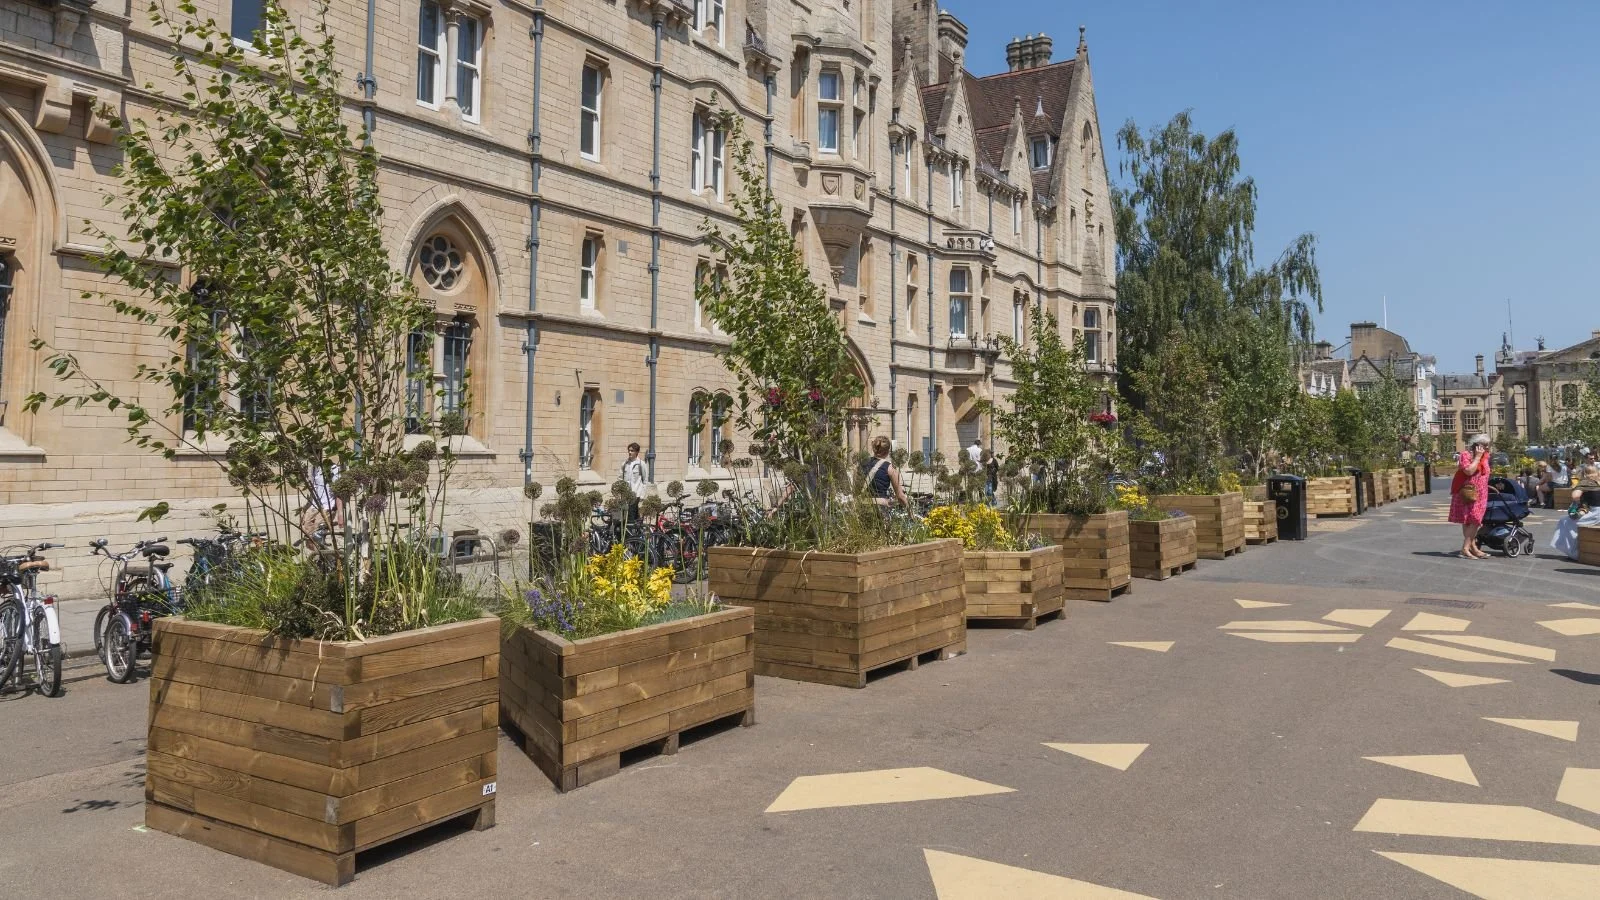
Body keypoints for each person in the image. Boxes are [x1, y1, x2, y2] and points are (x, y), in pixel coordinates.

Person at [1448, 434, 1492, 559]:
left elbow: (1484, 474)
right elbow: (1469, 471)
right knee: (1472, 520)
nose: (1487, 447)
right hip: (1467, 493)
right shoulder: (1466, 455)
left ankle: (1472, 548)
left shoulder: (1486, 457)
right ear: (1477, 446)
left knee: (1473, 520)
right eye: (1484, 445)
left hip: (1481, 493)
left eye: (1488, 445)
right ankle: (1466, 548)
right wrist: (1477, 457)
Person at [861, 435, 909, 510]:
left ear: (874, 449)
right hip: (880, 508)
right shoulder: (890, 468)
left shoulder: (862, 464)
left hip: (862, 507)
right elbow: (900, 496)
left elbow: (855, 489)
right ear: (888, 451)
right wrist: (910, 512)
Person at [621, 442, 647, 520]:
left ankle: (632, 530)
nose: (629, 452)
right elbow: (620, 478)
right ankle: (637, 529)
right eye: (629, 450)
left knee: (631, 514)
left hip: (636, 494)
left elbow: (645, 480)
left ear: (637, 452)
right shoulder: (625, 464)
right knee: (628, 514)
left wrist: (642, 495)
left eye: (632, 451)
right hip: (626, 494)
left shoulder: (641, 464)